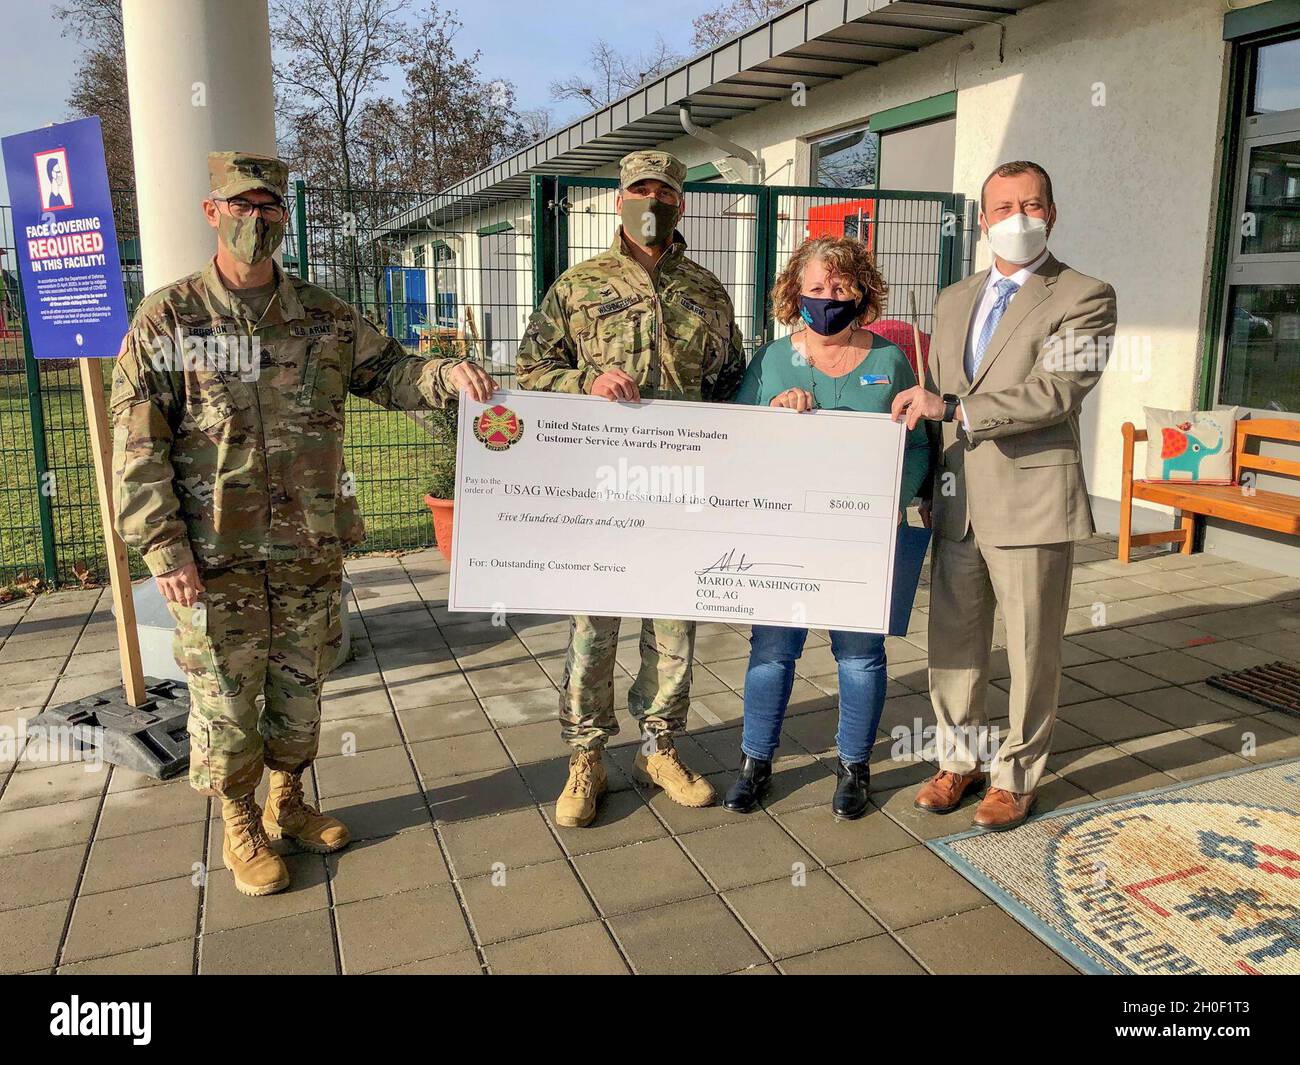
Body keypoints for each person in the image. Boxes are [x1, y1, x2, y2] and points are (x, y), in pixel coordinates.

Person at [111, 151, 495, 896]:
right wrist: (163, 548)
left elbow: (391, 371)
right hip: (213, 555)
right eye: (243, 205)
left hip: (306, 546)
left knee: (299, 689)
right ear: (211, 211)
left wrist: (445, 375)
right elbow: (137, 443)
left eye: (270, 207)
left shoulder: (320, 315)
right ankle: (239, 821)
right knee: (224, 697)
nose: (258, 219)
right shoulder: (169, 317)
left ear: (285, 216)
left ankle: (288, 802)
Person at [516, 149, 747, 828]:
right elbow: (532, 368)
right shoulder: (579, 285)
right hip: (603, 487)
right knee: (595, 626)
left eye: (666, 190)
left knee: (675, 624)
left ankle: (658, 745)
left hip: (680, 487)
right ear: (618, 200)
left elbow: (732, 382)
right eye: (640, 189)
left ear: (683, 202)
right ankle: (585, 756)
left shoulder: (707, 290)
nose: (653, 200)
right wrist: (582, 381)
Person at [891, 160, 1117, 832]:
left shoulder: (1085, 294)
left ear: (1052, 212)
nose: (1019, 216)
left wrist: (956, 408)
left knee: (1030, 650)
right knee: (954, 646)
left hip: (1031, 504)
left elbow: (1057, 390)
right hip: (959, 506)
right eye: (1005, 206)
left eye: (1033, 204)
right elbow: (931, 401)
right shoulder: (954, 298)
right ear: (982, 219)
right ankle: (959, 758)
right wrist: (929, 486)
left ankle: (1016, 776)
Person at [723, 236, 931, 820]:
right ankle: (755, 762)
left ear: (862, 294)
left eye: (841, 288)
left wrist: (897, 493)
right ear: (796, 293)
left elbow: (917, 445)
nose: (828, 298)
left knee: (860, 656)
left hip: (860, 539)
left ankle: (854, 767)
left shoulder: (889, 360)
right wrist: (773, 415)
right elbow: (736, 438)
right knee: (772, 650)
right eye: (816, 288)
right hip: (784, 535)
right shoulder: (770, 361)